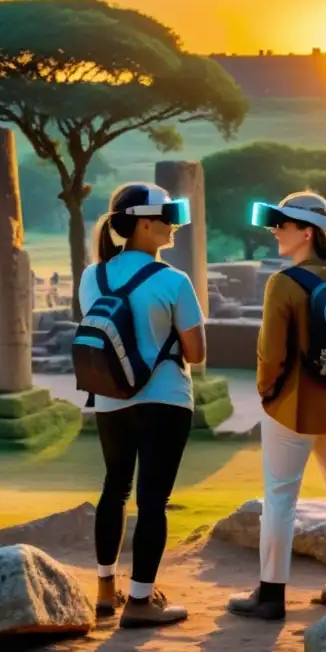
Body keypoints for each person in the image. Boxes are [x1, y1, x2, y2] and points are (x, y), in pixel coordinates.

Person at [227, 191, 326, 621]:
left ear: (307, 231)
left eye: (283, 225)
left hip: (294, 407)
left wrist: (266, 392)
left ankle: (271, 595)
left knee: (280, 498)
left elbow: (270, 355)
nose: (275, 231)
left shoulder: (284, 283)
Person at [78, 182, 206, 628]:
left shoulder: (92, 276)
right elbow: (196, 352)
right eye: (167, 217)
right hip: (165, 399)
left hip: (111, 399)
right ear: (145, 223)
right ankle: (140, 601)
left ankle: (104, 590)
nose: (173, 226)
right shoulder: (173, 280)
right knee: (153, 500)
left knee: (115, 489)